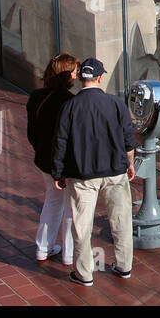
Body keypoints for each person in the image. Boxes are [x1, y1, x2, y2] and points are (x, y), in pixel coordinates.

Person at [51, 58, 136, 287]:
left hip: (82, 174)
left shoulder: (70, 106)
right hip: (115, 172)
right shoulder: (116, 104)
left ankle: (84, 274)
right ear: (100, 77)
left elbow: (61, 142)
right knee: (121, 221)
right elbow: (129, 140)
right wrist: (130, 164)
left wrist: (58, 172)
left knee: (82, 226)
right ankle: (123, 266)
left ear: (81, 79)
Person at [25, 53, 79, 264]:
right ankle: (68, 253)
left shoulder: (36, 97)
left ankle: (43, 247)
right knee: (70, 206)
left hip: (44, 161)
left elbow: (32, 133)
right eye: (73, 72)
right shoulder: (70, 102)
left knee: (52, 201)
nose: (75, 76)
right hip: (65, 164)